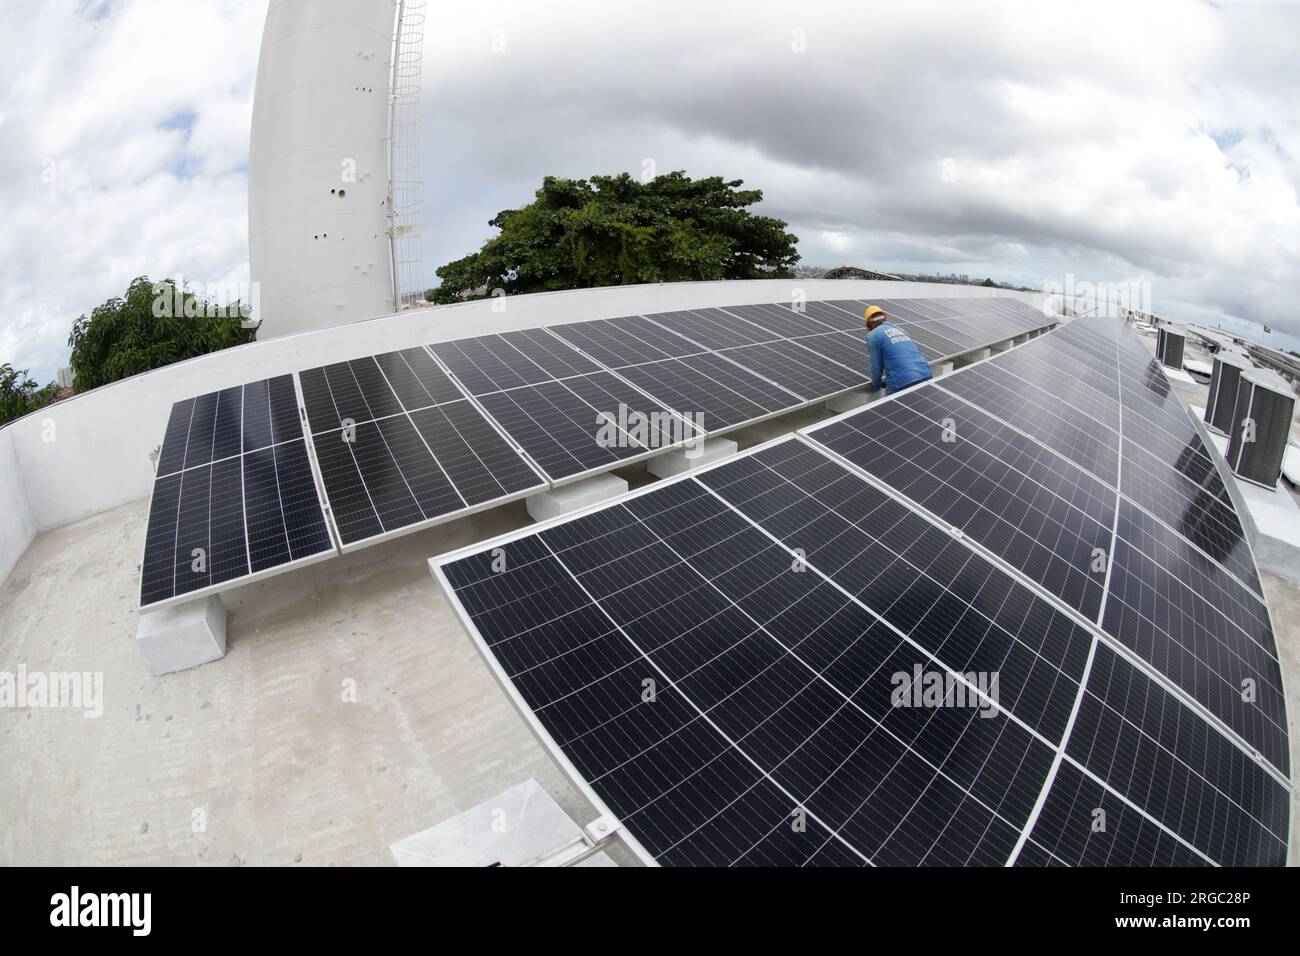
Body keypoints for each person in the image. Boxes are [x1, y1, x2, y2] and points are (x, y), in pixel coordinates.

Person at [863, 305, 933, 395]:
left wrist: (875, 387)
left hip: (902, 381)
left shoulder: (873, 335)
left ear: (870, 324)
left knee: (889, 408)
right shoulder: (900, 330)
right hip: (926, 374)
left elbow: (876, 367)